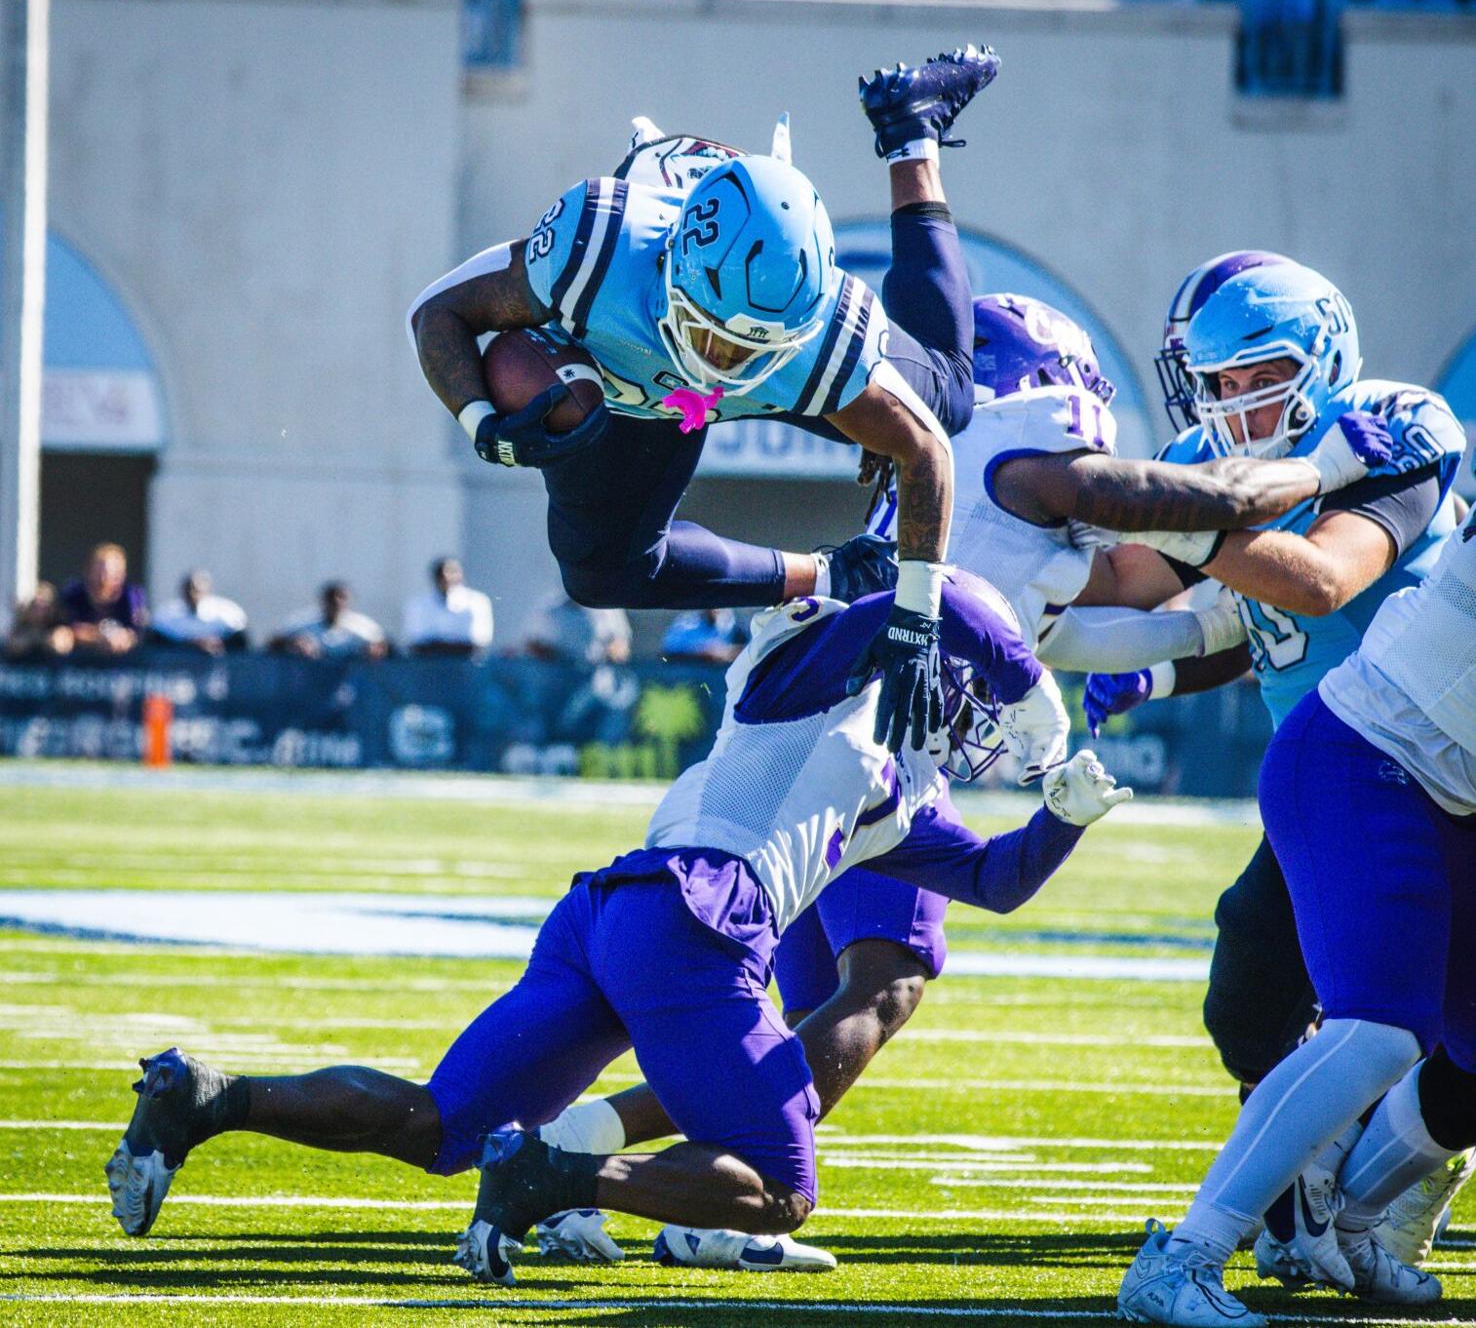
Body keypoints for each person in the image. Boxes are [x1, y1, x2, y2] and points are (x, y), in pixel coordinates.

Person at [529, 287, 1399, 1271]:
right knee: (883, 980)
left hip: (799, 734)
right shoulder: (1027, 461)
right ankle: (662, 1171)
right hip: (871, 757)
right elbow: (1141, 545)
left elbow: (1088, 622)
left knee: (799, 994)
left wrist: (1175, 648)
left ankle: (613, 1152)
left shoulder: (942, 463)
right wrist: (1308, 482)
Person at [105, 571, 1132, 1282]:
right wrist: (1030, 681)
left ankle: (205, 1099)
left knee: (438, 1125)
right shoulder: (803, 674)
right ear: (942, 661)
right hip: (694, 921)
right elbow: (943, 594)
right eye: (974, 688)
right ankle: (554, 1174)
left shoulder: (899, 791)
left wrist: (1065, 819)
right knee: (778, 1188)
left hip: (605, 919)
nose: (974, 718)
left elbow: (996, 878)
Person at [408, 48, 1001, 754]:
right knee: (603, 572)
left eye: (748, 346)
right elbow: (437, 311)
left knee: (949, 400)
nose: (721, 362)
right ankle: (835, 574)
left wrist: (916, 614)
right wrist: (482, 423)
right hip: (628, 369)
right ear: (672, 271)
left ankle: (910, 131)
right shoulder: (598, 248)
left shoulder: (823, 334)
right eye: (714, 336)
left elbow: (927, 446)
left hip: (756, 365)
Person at [1084, 259, 1467, 1283]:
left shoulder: (1387, 431)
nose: (1236, 404)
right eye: (1218, 383)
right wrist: (995, 569)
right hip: (1353, 767)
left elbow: (1319, 580)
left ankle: (1369, 1189)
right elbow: (1128, 579)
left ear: (1324, 361)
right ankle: (1302, 1195)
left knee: (1417, 1030)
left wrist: (1184, 514)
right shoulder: (1206, 461)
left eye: (1261, 375)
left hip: (1427, 766)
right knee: (1266, 995)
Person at [1116, 499, 1476, 1327]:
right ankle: (1185, 1259)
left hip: (1448, 785)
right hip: (1367, 751)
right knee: (1382, 1024)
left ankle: (1342, 1228)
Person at [59, 543, 148, 655]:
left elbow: (136, 632)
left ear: (122, 574)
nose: (103, 578)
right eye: (99, 571)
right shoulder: (73, 593)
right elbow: (68, 629)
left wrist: (122, 637)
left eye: (113, 573)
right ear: (88, 571)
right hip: (79, 662)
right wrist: (99, 636)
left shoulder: (132, 595)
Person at [271, 582, 388, 660]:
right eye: (332, 600)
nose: (337, 604)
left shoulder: (361, 625)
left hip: (351, 683)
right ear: (324, 601)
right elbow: (273, 642)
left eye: (342, 598)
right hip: (309, 681)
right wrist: (294, 644)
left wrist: (375, 650)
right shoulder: (303, 622)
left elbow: (385, 645)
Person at [402, 557, 493, 656]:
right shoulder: (417, 604)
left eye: (452, 572)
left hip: (465, 662)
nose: (447, 578)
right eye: (441, 575)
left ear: (461, 575)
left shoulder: (477, 601)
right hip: (429, 663)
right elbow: (416, 639)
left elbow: (480, 638)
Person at [149, 571, 249, 654]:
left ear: (207, 590)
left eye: (196, 590)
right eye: (188, 590)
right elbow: (160, 637)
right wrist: (192, 643)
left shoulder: (228, 611)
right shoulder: (166, 613)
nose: (192, 595)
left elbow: (239, 639)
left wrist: (216, 643)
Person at [523, 590, 631, 666]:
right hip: (559, 675)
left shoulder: (608, 609)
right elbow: (532, 644)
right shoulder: (550, 609)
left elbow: (621, 647)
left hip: (597, 680)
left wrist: (612, 653)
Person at [5, 583, 74, 660]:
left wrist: (38, 638)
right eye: (35, 606)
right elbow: (14, 646)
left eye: (43, 606)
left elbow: (59, 646)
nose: (38, 611)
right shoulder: (21, 628)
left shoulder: (60, 628)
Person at [659, 607, 747, 663]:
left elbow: (749, 648)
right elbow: (667, 651)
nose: (716, 609)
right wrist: (701, 652)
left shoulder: (733, 623)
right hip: (690, 677)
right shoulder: (687, 623)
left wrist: (728, 652)